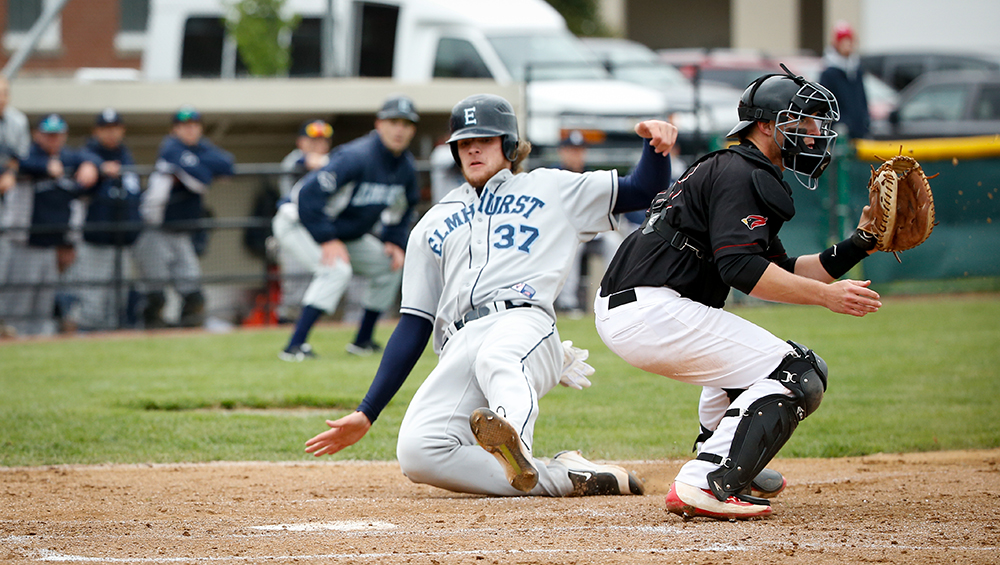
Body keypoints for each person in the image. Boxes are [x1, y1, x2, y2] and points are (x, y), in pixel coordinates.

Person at [304, 93, 678, 498]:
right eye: (464, 143)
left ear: (509, 145)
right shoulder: (432, 224)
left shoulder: (552, 187)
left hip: (523, 320)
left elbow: (643, 190)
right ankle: (564, 475)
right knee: (418, 451)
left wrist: (655, 148)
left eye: (483, 139)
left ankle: (512, 435)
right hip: (460, 339)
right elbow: (414, 323)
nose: (473, 149)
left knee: (497, 356)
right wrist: (367, 411)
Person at [593, 67, 882, 520]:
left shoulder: (740, 168)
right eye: (801, 120)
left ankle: (717, 451)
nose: (813, 132)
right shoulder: (739, 172)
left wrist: (861, 242)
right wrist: (826, 298)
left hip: (644, 306)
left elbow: (781, 268)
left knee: (756, 369)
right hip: (651, 308)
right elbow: (741, 269)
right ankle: (708, 479)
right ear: (767, 125)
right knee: (798, 372)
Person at [274, 95, 421, 360]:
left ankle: (362, 341)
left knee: (390, 265)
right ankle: (294, 346)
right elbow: (307, 196)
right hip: (299, 223)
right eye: (393, 122)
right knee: (336, 270)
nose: (400, 129)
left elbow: (404, 208)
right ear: (379, 124)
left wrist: (394, 241)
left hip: (341, 232)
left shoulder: (405, 167)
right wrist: (327, 238)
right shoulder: (356, 156)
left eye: (407, 124)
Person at [134, 106, 235, 329]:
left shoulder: (199, 148)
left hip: (182, 234)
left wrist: (199, 164)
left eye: (194, 126)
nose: (190, 131)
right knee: (155, 296)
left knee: (194, 296)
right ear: (174, 130)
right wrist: (203, 167)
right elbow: (201, 178)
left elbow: (228, 164)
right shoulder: (170, 147)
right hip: (154, 230)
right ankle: (150, 340)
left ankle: (185, 335)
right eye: (184, 127)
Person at [0, 114, 100, 336]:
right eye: (49, 135)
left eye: (58, 135)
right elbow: (16, 162)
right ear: (38, 135)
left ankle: (37, 344)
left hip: (52, 247)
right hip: (23, 244)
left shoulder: (67, 157)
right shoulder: (27, 154)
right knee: (17, 307)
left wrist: (90, 164)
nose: (54, 139)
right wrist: (45, 165)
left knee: (43, 305)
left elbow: (89, 156)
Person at [67, 108, 143, 331]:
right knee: (92, 304)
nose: (111, 133)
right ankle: (83, 348)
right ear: (96, 131)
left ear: (122, 130)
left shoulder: (126, 156)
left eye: (115, 128)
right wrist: (97, 167)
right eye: (105, 128)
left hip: (123, 244)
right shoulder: (86, 157)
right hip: (94, 244)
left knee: (116, 305)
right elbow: (74, 163)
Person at [276, 119, 335, 322]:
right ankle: (285, 326)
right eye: (313, 141)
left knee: (324, 280)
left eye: (323, 141)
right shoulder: (293, 160)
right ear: (301, 142)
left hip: (320, 232)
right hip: (294, 229)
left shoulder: (332, 163)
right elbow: (303, 163)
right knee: (294, 284)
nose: (318, 145)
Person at [0, 76, 33, 337]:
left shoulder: (17, 121)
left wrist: (10, 173)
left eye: (5, 92)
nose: (2, 97)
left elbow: (19, 156)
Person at [819, 21, 870, 141]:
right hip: (840, 134)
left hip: (859, 131)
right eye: (844, 41)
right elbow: (825, 104)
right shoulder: (829, 73)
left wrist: (865, 120)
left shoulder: (856, 70)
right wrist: (839, 123)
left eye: (850, 41)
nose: (848, 45)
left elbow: (862, 99)